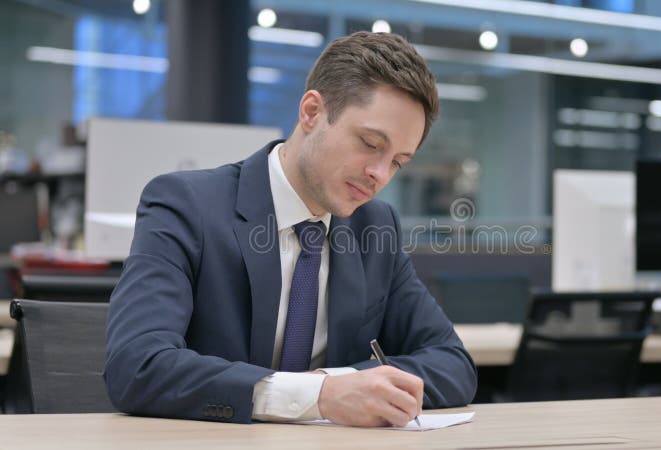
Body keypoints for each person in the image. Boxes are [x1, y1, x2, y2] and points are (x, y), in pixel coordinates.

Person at [104, 31, 477, 427]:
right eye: (370, 142)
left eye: (399, 162)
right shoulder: (185, 205)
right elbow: (136, 365)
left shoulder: (375, 228)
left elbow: (453, 364)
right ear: (312, 112)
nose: (379, 174)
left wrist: (337, 384)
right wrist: (318, 397)